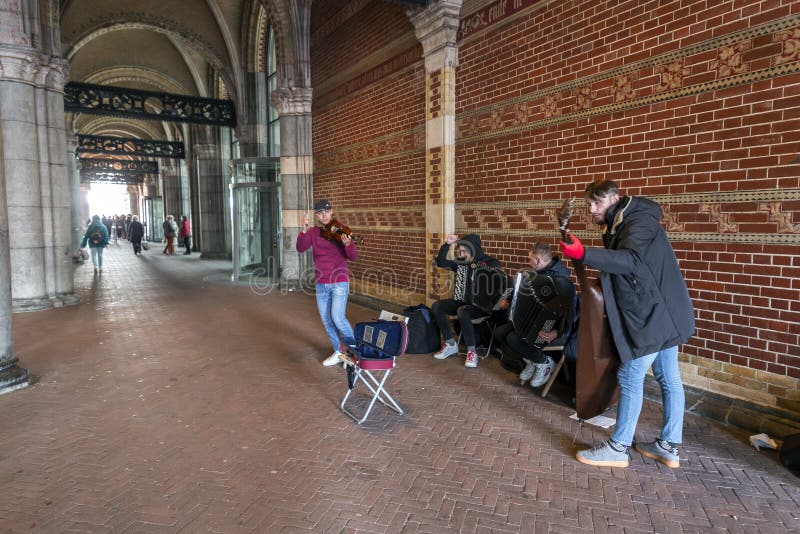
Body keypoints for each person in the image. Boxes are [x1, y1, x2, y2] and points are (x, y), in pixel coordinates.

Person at [559, 179, 695, 469]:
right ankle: (668, 447)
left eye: (597, 202)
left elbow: (629, 261)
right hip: (660, 311)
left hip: (653, 315)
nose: (591, 209)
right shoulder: (623, 222)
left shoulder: (638, 220)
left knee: (631, 376)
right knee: (668, 378)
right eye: (589, 203)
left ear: (615, 198)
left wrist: (584, 254)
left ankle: (618, 448)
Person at [494, 243, 577, 387]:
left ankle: (544, 362)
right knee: (500, 332)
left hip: (550, 327)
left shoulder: (561, 280)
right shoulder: (535, 274)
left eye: (530, 259)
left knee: (513, 338)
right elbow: (518, 289)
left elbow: (571, 311)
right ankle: (532, 360)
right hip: (530, 321)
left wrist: (558, 332)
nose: (528, 263)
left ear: (538, 260)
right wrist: (507, 299)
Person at [296, 199, 358, 366]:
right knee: (327, 320)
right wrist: (304, 229)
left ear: (332, 212)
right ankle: (339, 351)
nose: (323, 215)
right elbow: (301, 248)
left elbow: (353, 256)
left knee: (338, 318)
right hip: (321, 282)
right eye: (319, 212)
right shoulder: (314, 232)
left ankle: (353, 353)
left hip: (339, 281)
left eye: (326, 211)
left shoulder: (342, 230)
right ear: (316, 215)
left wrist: (348, 244)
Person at [431, 233, 502, 368]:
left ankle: (472, 352)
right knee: (437, 306)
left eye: (463, 250)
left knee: (463, 311)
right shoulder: (461, 263)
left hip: (481, 308)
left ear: (473, 249)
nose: (461, 253)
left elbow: (499, 285)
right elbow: (441, 262)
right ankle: (451, 344)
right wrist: (447, 244)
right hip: (462, 301)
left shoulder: (492, 263)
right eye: (460, 250)